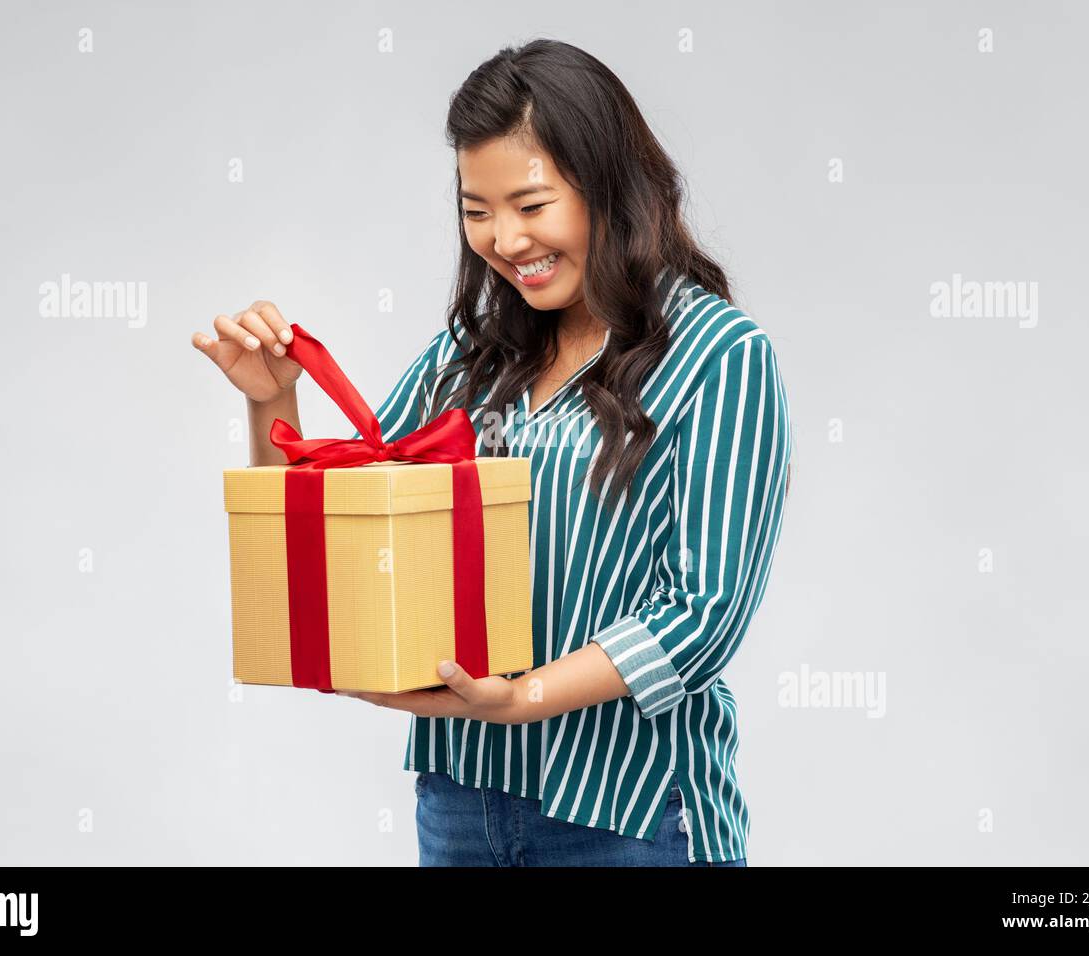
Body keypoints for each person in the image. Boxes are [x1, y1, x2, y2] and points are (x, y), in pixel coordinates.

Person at [193, 38, 792, 867]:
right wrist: (272, 399)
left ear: (610, 188)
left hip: (629, 811)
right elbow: (330, 535)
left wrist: (525, 698)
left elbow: (703, 614)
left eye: (532, 204)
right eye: (477, 210)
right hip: (462, 802)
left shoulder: (719, 356)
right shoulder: (471, 355)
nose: (505, 239)